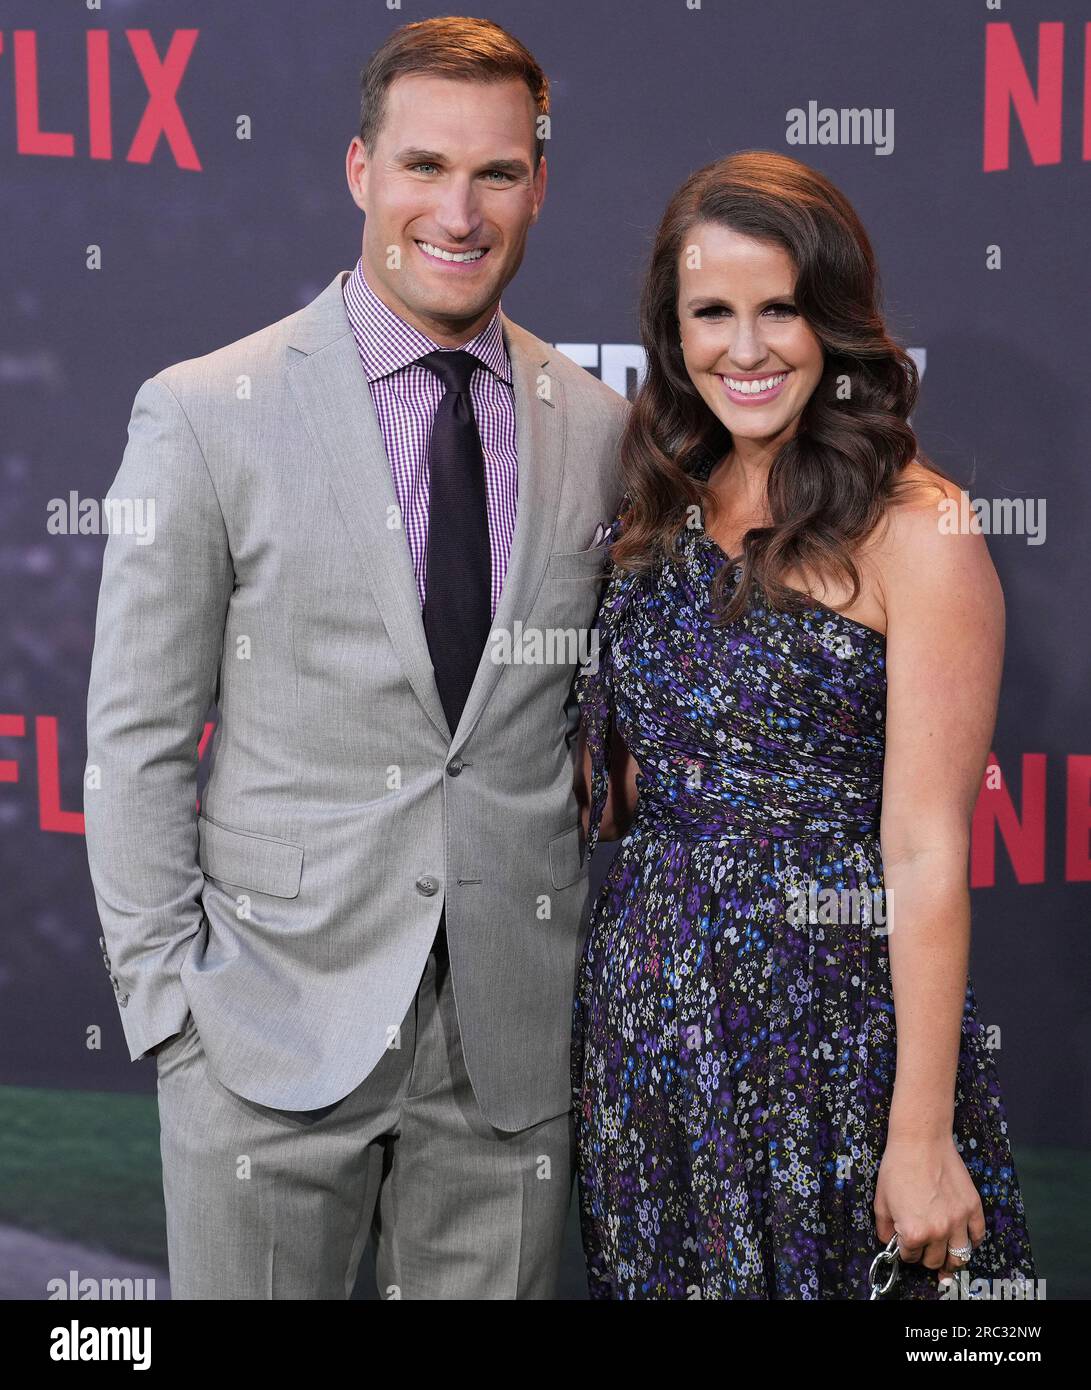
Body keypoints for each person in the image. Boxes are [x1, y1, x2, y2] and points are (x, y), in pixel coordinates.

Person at [84, 16, 627, 1299]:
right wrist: (173, 1012)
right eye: (424, 166)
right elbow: (138, 737)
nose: (459, 206)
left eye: (497, 171)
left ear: (538, 185)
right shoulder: (208, 410)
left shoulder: (602, 427)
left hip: (505, 1055)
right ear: (358, 172)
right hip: (261, 1036)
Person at [571, 150, 1038, 1299]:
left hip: (834, 1038)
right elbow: (627, 777)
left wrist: (918, 1133)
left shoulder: (918, 531)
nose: (744, 347)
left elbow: (925, 850)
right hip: (644, 1031)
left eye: (777, 308)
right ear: (668, 331)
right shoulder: (657, 502)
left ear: (832, 319)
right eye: (709, 313)